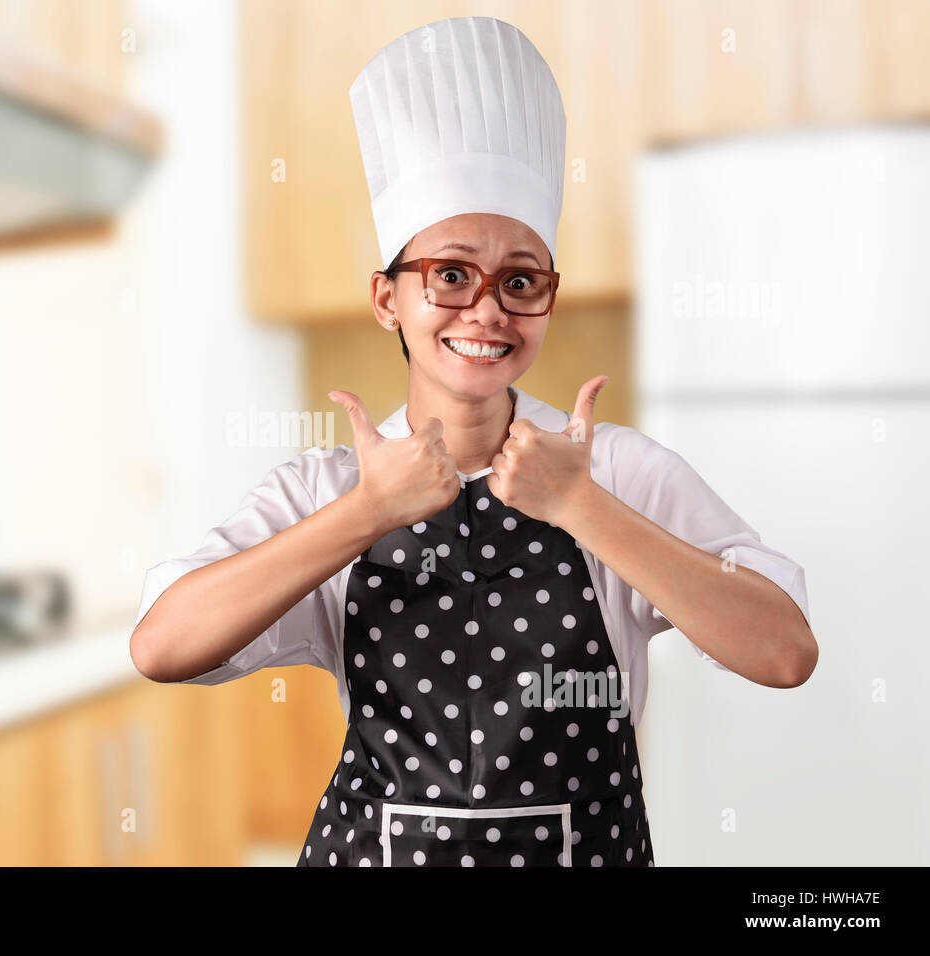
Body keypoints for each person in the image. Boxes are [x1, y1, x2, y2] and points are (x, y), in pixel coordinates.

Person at [129, 16, 816, 867]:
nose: (487, 309)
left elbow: (784, 652)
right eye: (450, 274)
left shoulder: (616, 473)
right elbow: (161, 647)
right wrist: (366, 512)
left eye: (520, 281)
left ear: (547, 302)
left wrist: (580, 506)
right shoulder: (325, 487)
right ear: (388, 300)